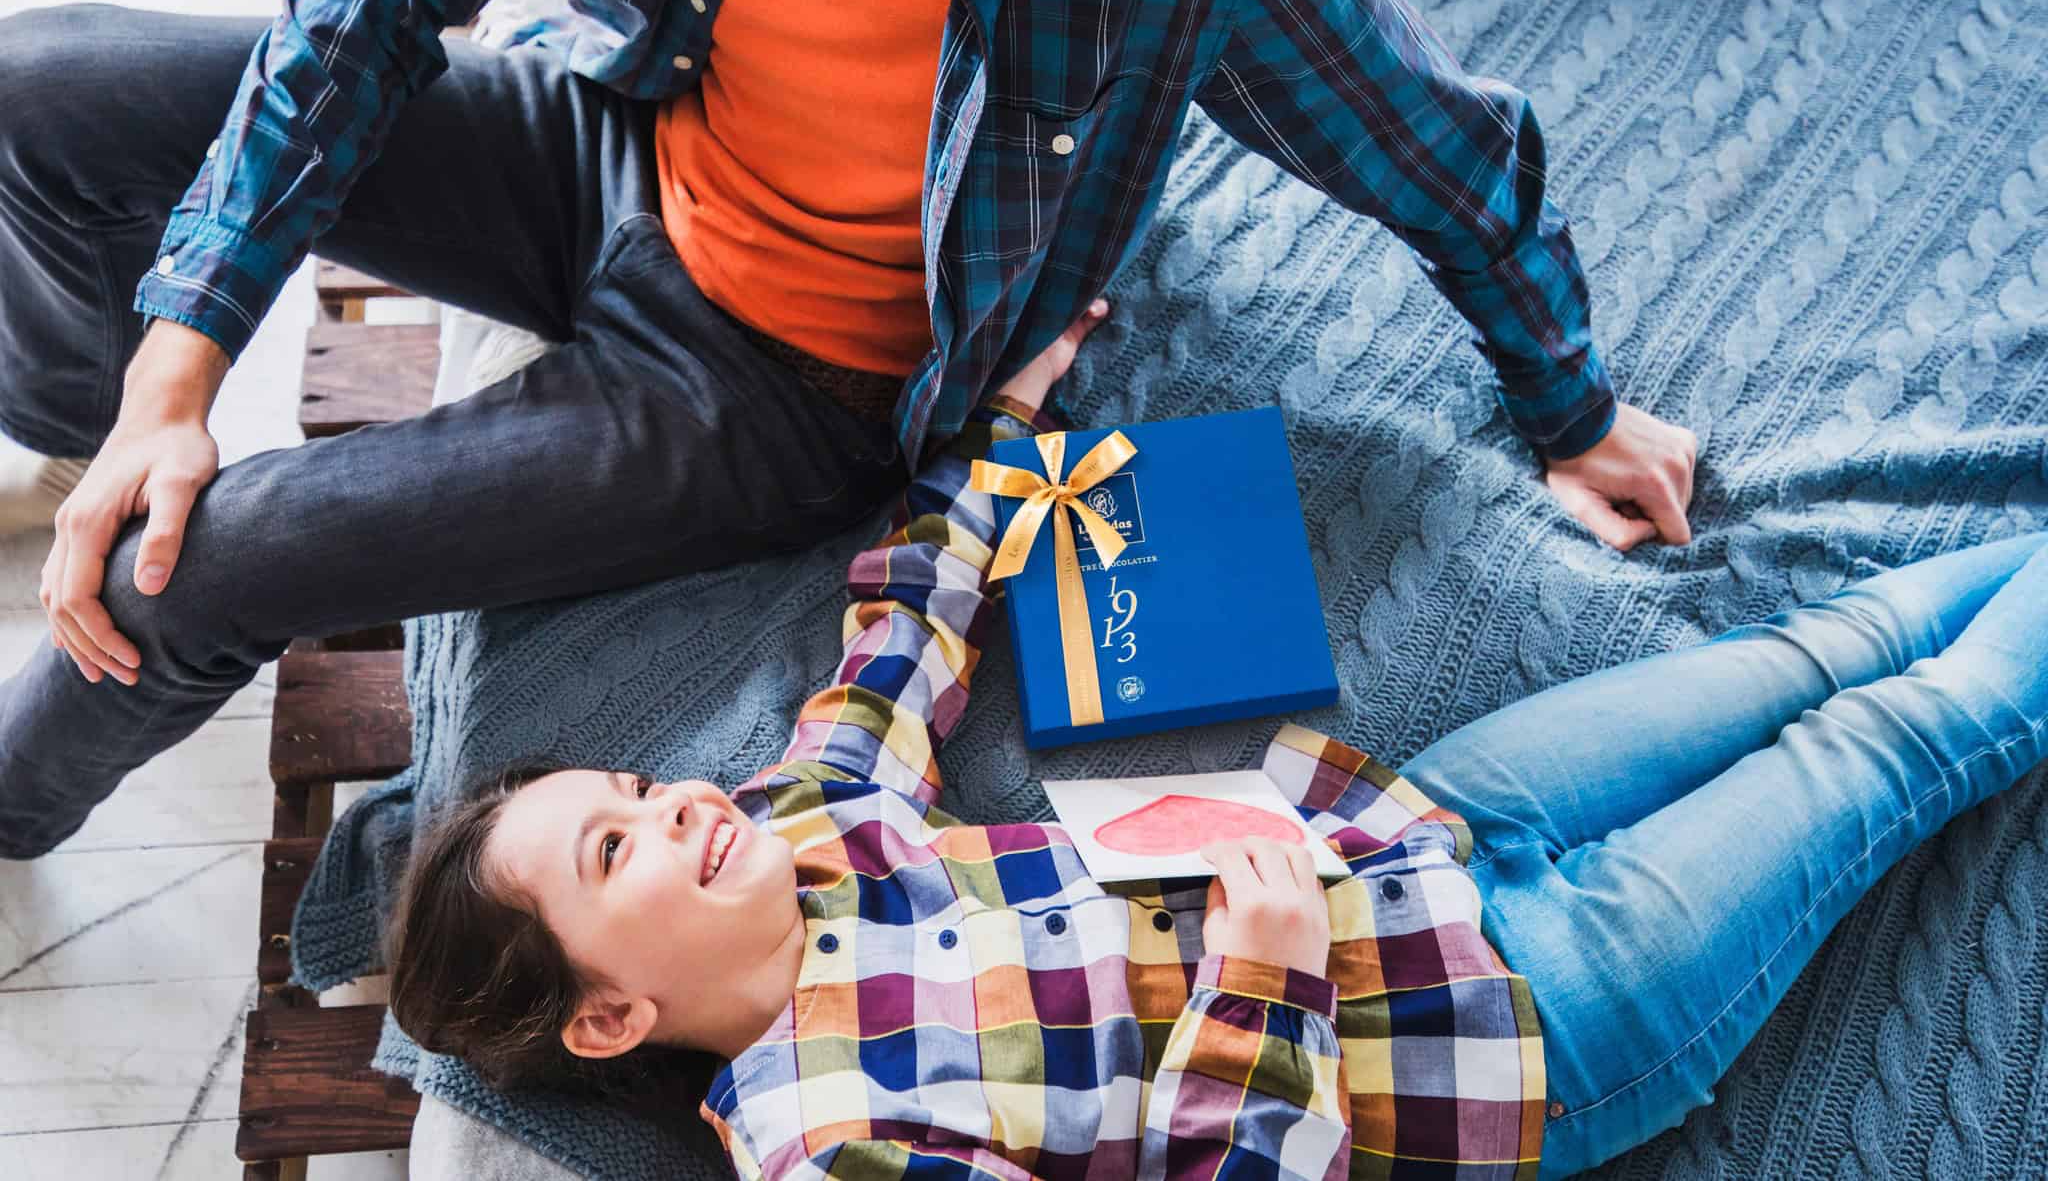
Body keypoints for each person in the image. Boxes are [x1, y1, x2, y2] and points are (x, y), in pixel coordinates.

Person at [0, 0, 1696, 860]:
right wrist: (174, 375)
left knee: (187, 573)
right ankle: (87, 442)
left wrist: (1572, 407)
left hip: (786, 383)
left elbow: (1447, 160)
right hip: (618, 142)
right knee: (44, 85)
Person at [385, 308, 2048, 1180]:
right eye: (617, 849)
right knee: (1899, 743)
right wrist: (1257, 989)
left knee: (1818, 648)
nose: (672, 805)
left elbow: (898, 640)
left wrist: (1009, 428)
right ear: (610, 1015)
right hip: (1526, 1022)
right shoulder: (828, 1141)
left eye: (629, 791)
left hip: (1427, 827)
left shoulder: (813, 820)